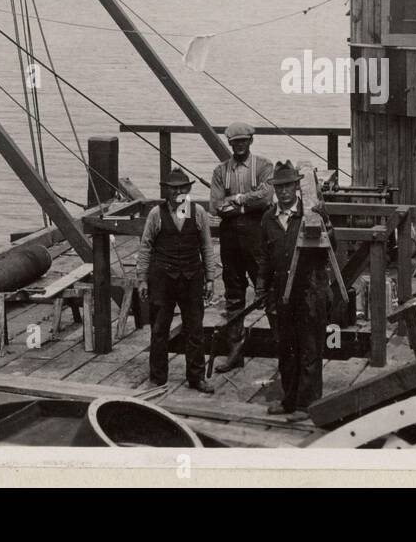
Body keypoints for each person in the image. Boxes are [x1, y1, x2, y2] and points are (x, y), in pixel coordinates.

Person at [134, 168, 217, 393]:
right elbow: (145, 247)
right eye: (173, 188)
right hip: (162, 278)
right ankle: (158, 377)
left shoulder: (198, 212)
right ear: (166, 191)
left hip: (192, 278)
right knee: (159, 329)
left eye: (182, 188)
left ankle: (196, 378)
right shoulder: (155, 214)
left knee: (195, 329)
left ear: (188, 189)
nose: (178, 192)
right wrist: (142, 279)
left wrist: (210, 279)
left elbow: (207, 247)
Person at [258, 161, 329, 419]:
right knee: (286, 348)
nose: (285, 191)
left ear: (297, 186)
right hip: (282, 293)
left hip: (310, 290)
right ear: (275, 189)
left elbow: (330, 244)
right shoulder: (269, 218)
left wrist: (325, 218)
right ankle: (289, 401)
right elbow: (264, 257)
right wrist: (261, 288)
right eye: (280, 187)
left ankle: (306, 405)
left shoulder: (310, 214)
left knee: (310, 348)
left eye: (289, 186)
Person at [209, 122, 274, 371]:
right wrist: (248, 203)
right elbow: (215, 205)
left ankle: (284, 348)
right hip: (230, 241)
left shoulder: (263, 166)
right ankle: (235, 351)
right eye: (235, 142)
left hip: (258, 239)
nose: (239, 146)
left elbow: (267, 197)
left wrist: (237, 201)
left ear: (250, 141)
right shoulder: (220, 171)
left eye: (243, 141)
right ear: (229, 143)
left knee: (267, 290)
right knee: (233, 294)